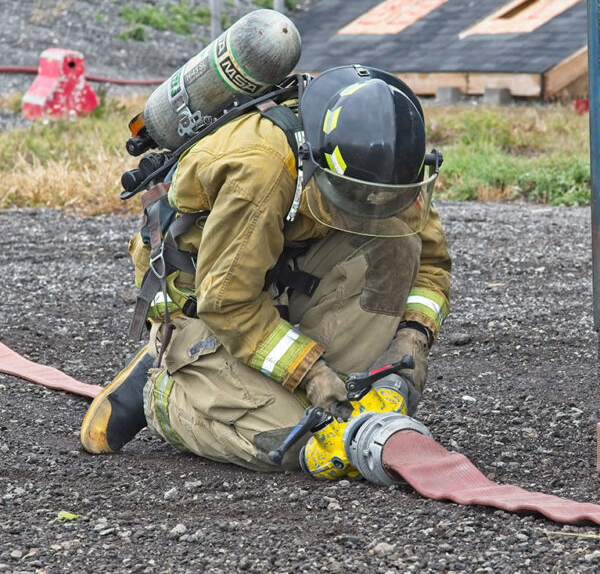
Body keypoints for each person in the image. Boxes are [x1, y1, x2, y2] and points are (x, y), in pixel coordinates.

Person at [80, 64, 451, 471]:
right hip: (209, 301)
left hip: (276, 273)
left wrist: (413, 338)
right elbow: (227, 302)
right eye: (353, 196)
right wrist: (309, 372)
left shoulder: (394, 170)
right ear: (316, 162)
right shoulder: (261, 167)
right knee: (296, 442)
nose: (371, 207)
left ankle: (262, 370)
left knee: (398, 248)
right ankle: (165, 387)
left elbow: (429, 262)